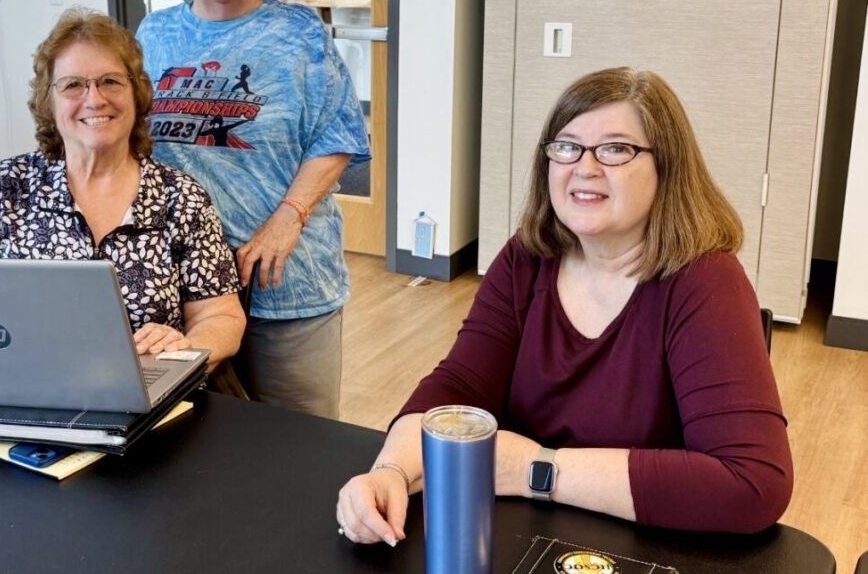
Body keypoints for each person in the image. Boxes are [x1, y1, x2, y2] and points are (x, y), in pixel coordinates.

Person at [336, 67, 793, 538]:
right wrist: (390, 471)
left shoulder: (705, 279)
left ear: (667, 167)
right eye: (567, 147)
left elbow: (752, 482)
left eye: (616, 149)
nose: (585, 168)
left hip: (647, 549)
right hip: (523, 537)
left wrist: (536, 469)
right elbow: (460, 386)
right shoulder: (527, 258)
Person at [136, 0, 371, 419]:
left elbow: (337, 134)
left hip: (286, 278)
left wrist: (286, 220)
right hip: (185, 285)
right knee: (200, 441)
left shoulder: (298, 32)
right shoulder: (154, 36)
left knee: (300, 442)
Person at [0, 8, 245, 365]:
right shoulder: (3, 188)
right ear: (48, 103)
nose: (95, 99)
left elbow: (222, 318)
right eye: (73, 85)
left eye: (110, 81)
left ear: (136, 94)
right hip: (22, 383)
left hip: (147, 397)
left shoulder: (181, 199)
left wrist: (184, 350)